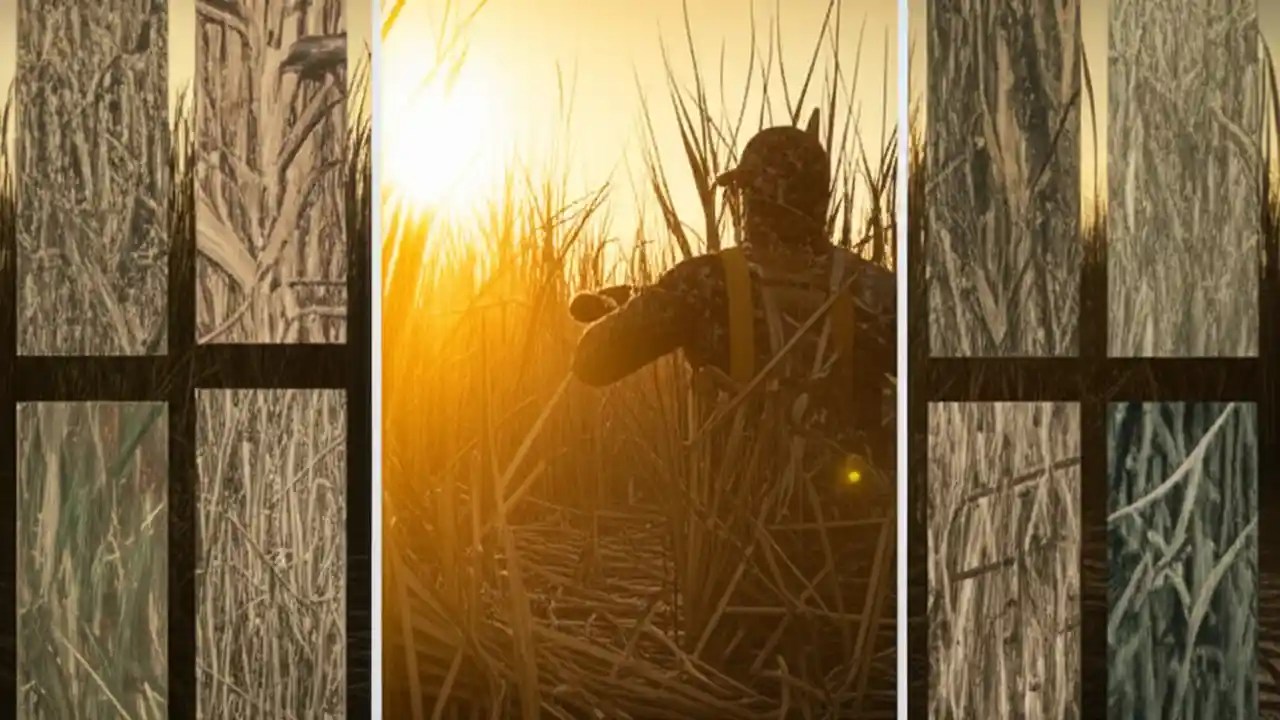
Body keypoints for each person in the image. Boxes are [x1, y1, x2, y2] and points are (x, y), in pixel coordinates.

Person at [569, 111, 895, 483]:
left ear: (752, 197)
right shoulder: (877, 290)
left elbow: (590, 363)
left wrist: (635, 307)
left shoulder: (705, 283)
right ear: (819, 201)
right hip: (860, 531)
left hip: (736, 535)